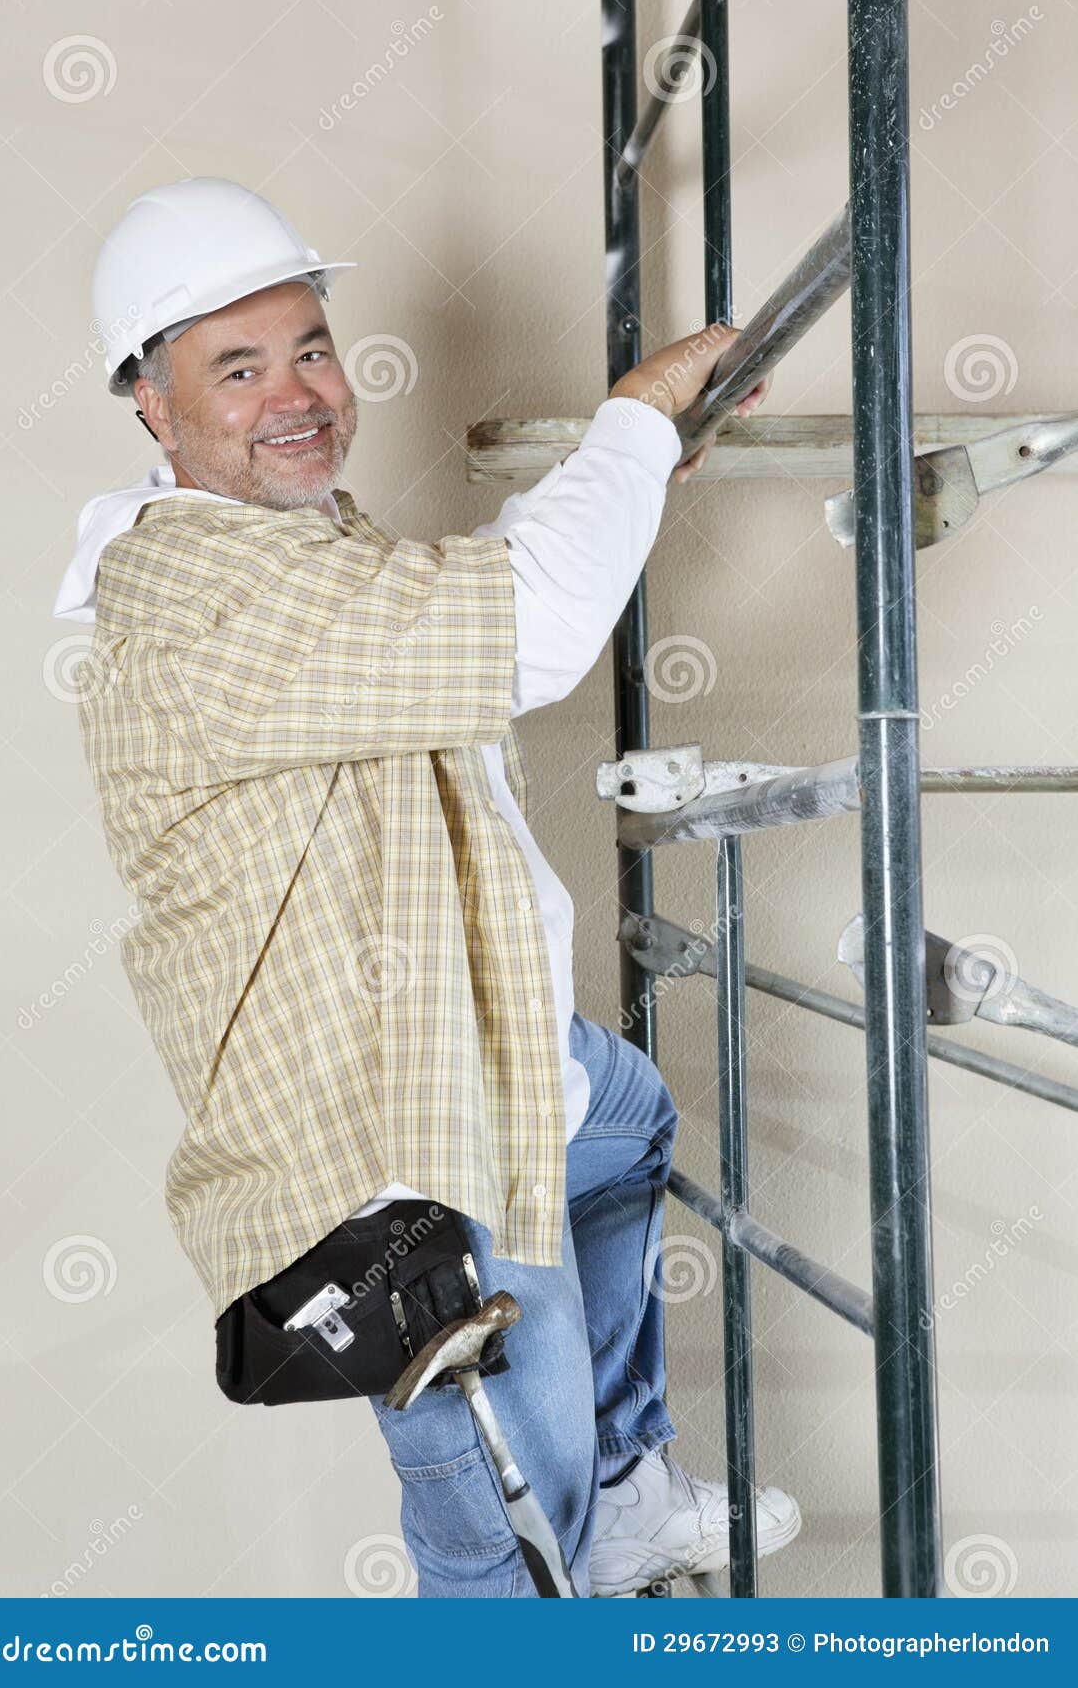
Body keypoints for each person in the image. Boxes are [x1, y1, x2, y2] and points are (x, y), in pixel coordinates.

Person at [56, 177, 800, 1597]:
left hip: (469, 1052)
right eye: (237, 366)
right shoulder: (204, 591)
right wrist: (635, 423)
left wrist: (612, 480)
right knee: (513, 1555)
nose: (299, 395)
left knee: (622, 1108)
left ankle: (626, 1485)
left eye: (312, 348)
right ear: (149, 404)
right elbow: (524, 627)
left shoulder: (285, 546)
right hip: (391, 1142)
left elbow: (434, 610)